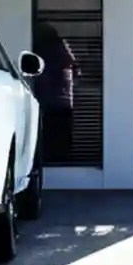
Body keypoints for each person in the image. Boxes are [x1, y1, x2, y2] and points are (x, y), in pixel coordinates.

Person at [33, 22, 79, 163]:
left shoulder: (42, 51)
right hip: (64, 103)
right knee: (62, 138)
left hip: (49, 102)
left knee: (49, 137)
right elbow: (76, 71)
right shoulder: (64, 50)